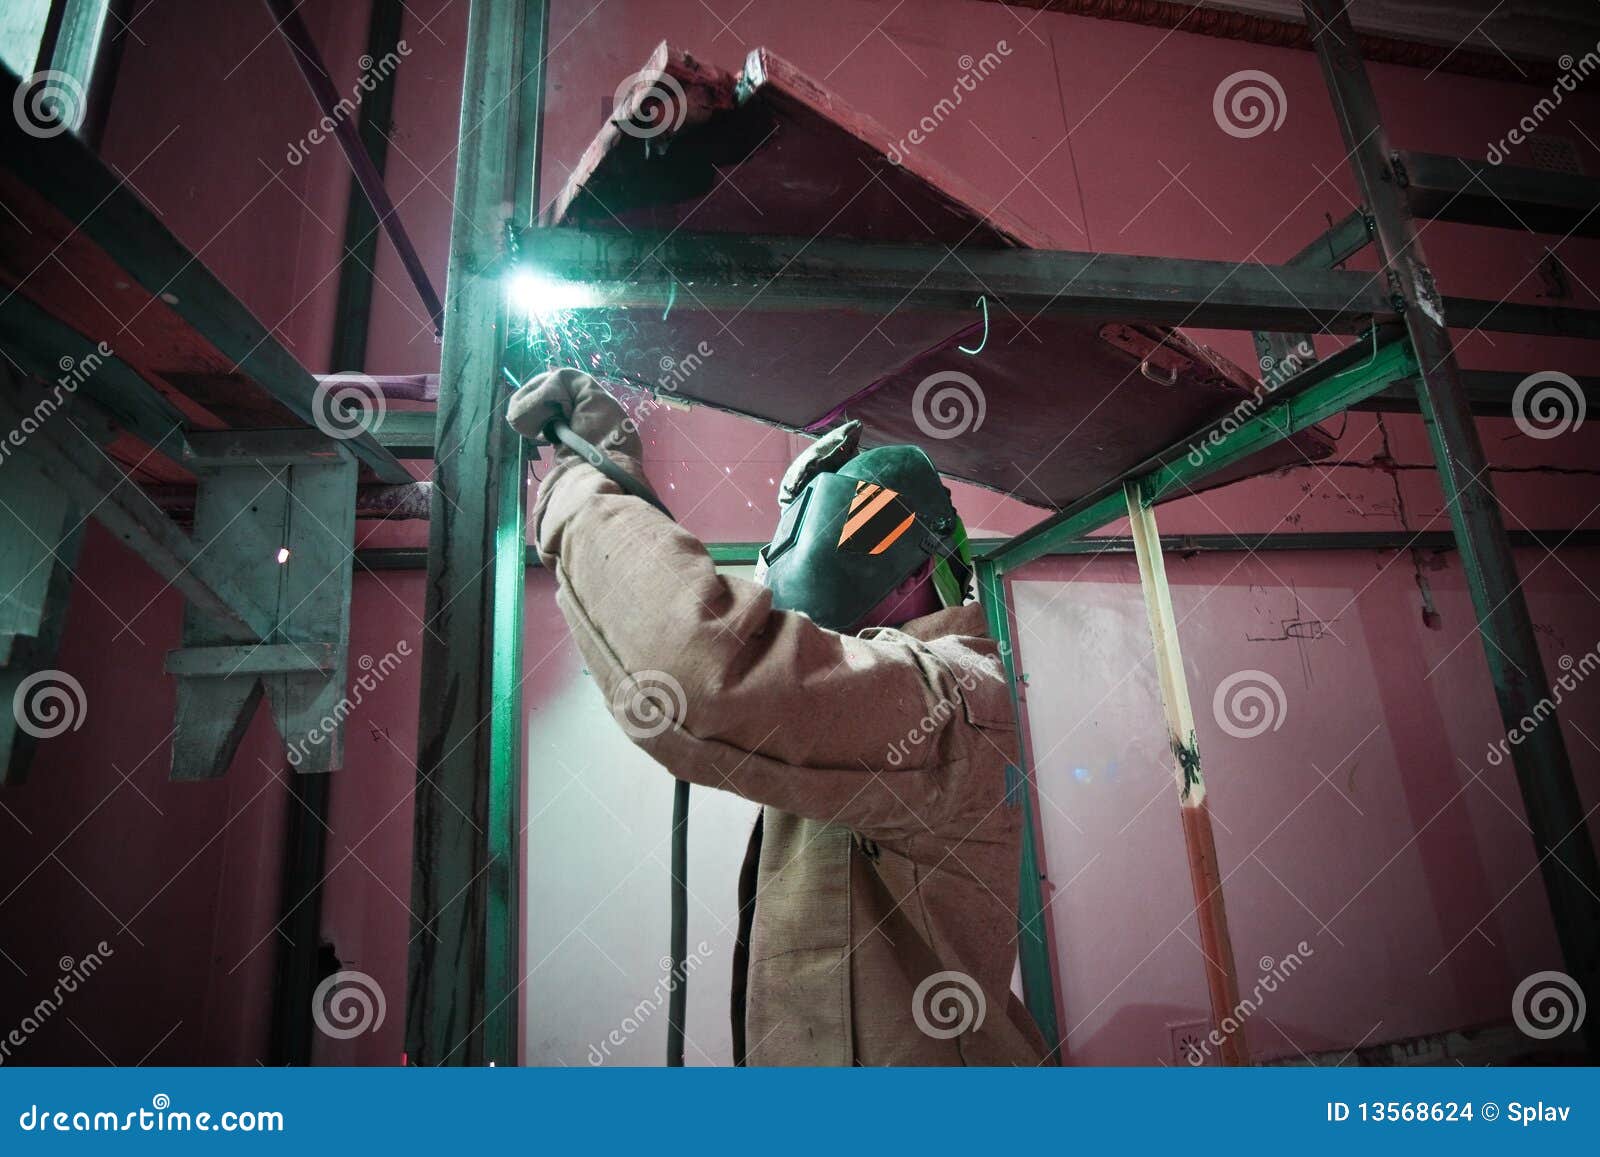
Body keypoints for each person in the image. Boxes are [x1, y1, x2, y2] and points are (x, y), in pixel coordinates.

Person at [507, 366, 1049, 1066]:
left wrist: (584, 487)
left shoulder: (951, 698)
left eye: (812, 526)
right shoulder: (865, 683)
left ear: (915, 564)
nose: (790, 552)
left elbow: (704, 672)